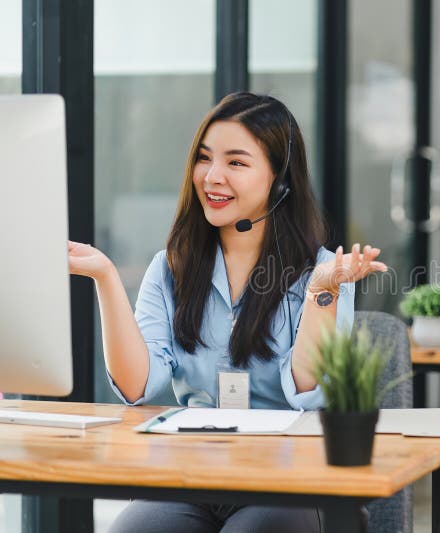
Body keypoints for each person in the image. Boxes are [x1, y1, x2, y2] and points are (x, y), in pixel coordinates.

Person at [68, 92, 387, 533]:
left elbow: (309, 391)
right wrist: (104, 277)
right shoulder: (171, 266)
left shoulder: (324, 272)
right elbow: (137, 385)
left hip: (293, 482)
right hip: (195, 476)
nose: (212, 177)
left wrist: (320, 291)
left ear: (280, 179)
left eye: (236, 163)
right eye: (204, 158)